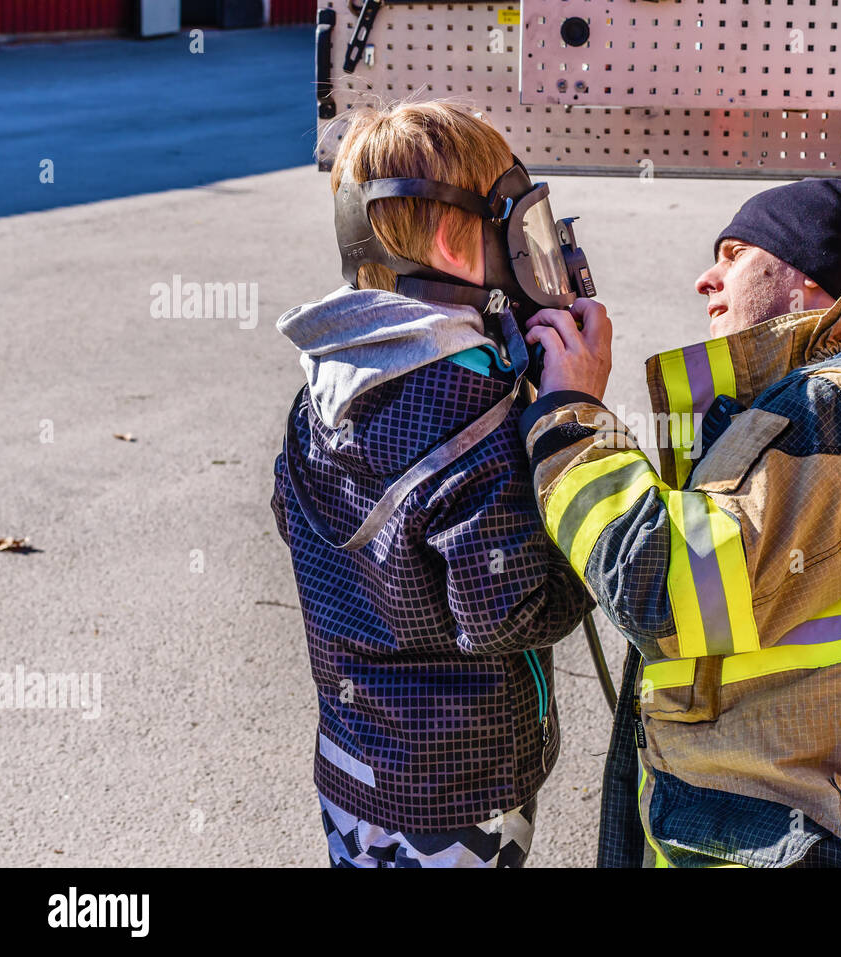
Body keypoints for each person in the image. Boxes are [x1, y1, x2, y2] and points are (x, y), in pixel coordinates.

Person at [519, 178, 841, 867]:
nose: (705, 278)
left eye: (735, 254)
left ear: (809, 280)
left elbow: (663, 587)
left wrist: (570, 418)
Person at [270, 102, 592, 867]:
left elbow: (295, 518)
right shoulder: (473, 412)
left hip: (353, 767)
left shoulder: (325, 385)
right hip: (459, 791)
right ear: (454, 239)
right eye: (517, 226)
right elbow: (513, 611)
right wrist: (574, 419)